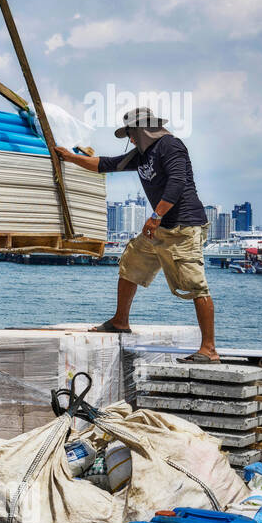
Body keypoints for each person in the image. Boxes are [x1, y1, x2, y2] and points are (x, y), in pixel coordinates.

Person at [55, 107, 218, 364]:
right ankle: (120, 321)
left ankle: (209, 349)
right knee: (131, 261)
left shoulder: (171, 146)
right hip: (160, 227)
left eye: (131, 133)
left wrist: (156, 216)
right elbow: (104, 164)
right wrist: (69, 157)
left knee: (195, 284)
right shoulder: (142, 155)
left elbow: (177, 183)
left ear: (142, 130)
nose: (130, 139)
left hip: (183, 227)